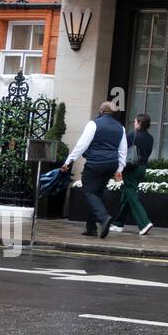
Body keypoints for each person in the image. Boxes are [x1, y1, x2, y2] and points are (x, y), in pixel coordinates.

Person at [62, 101, 127, 240]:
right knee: (98, 193)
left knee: (89, 191)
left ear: (101, 110)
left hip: (96, 163)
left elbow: (82, 145)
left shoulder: (94, 124)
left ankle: (104, 219)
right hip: (111, 164)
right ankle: (91, 228)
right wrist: (120, 169)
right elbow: (123, 151)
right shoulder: (121, 128)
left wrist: (69, 161)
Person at [110, 113, 154, 236]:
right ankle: (118, 224)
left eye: (135, 122)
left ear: (140, 123)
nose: (134, 123)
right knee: (127, 194)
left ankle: (144, 223)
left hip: (131, 169)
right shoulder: (150, 138)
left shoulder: (132, 135)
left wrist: (119, 168)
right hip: (142, 168)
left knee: (131, 194)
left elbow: (122, 151)